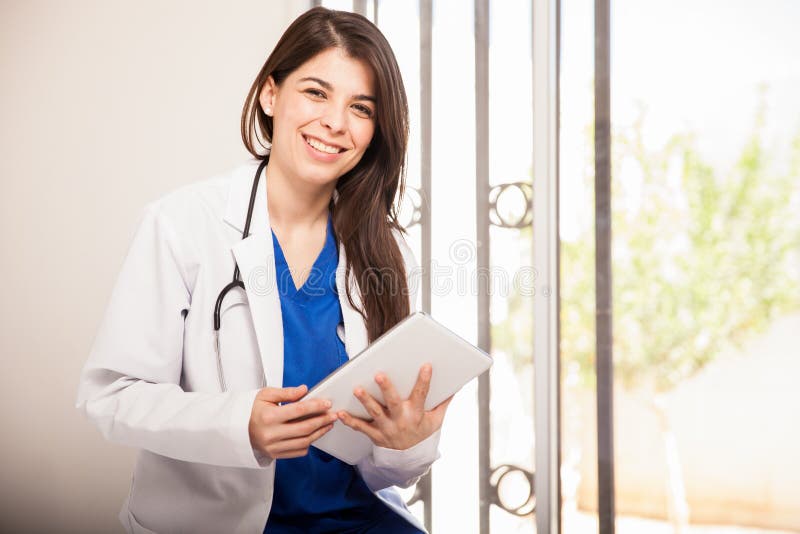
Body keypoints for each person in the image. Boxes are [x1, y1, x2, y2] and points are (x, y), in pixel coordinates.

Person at [76, 7, 451, 534]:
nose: (336, 123)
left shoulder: (385, 252)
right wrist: (238, 425)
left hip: (357, 521)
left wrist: (405, 442)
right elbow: (111, 395)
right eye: (316, 93)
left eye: (360, 107)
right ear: (270, 96)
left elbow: (388, 471)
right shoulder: (183, 224)